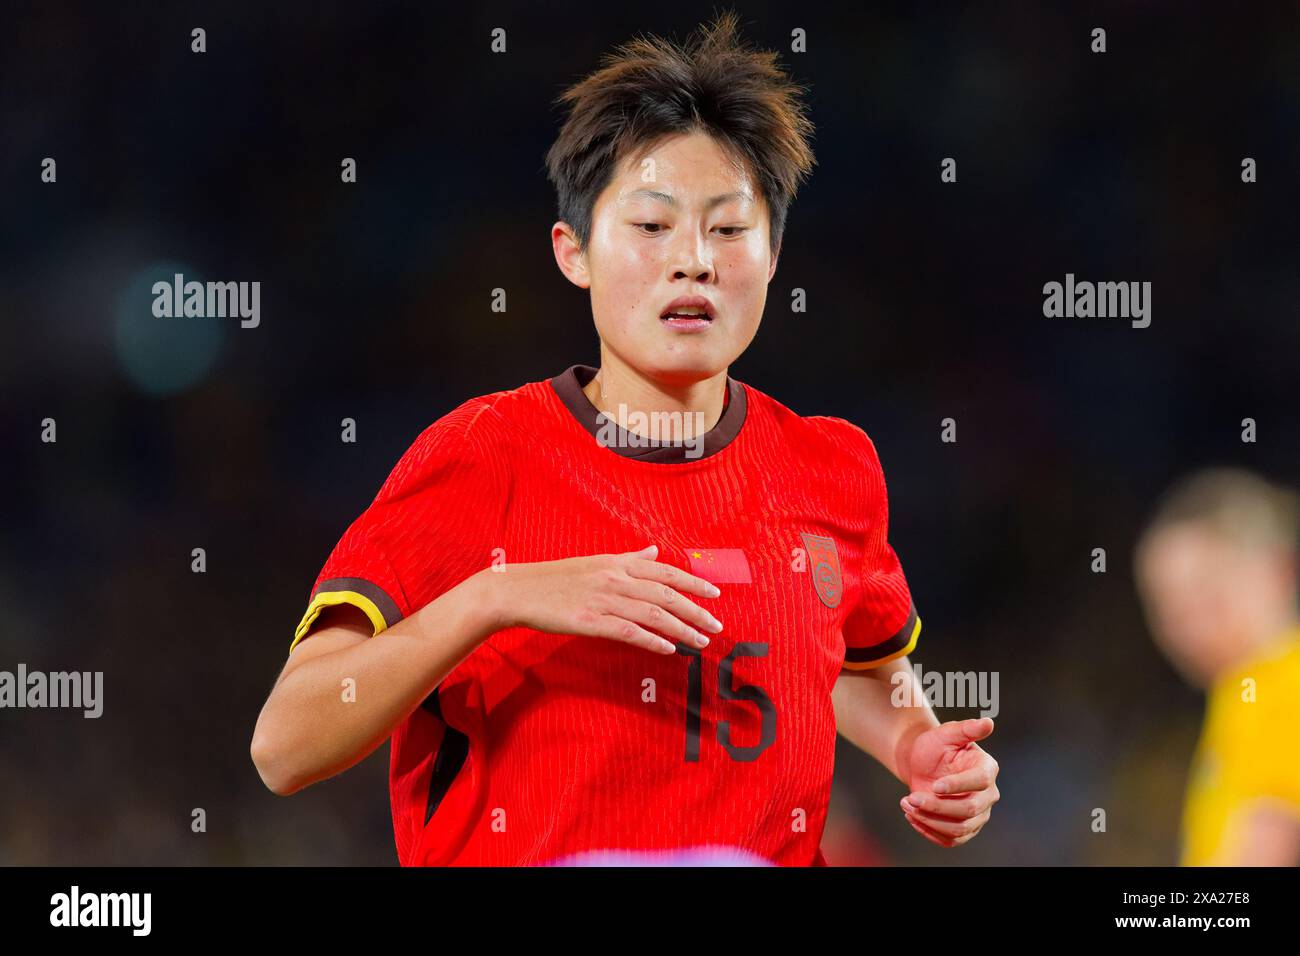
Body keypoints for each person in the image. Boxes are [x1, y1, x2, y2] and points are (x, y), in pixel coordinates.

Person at [250, 11, 998, 866]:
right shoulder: (485, 454)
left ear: (774, 255)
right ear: (573, 252)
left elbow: (855, 669)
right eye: (651, 226)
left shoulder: (831, 467)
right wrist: (495, 598)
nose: (694, 261)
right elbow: (284, 747)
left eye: (728, 228)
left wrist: (917, 746)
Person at [1135, 467, 1300, 865]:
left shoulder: (1279, 686)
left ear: (1279, 570)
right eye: (1165, 607)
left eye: (1205, 593)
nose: (1183, 626)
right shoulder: (1241, 693)